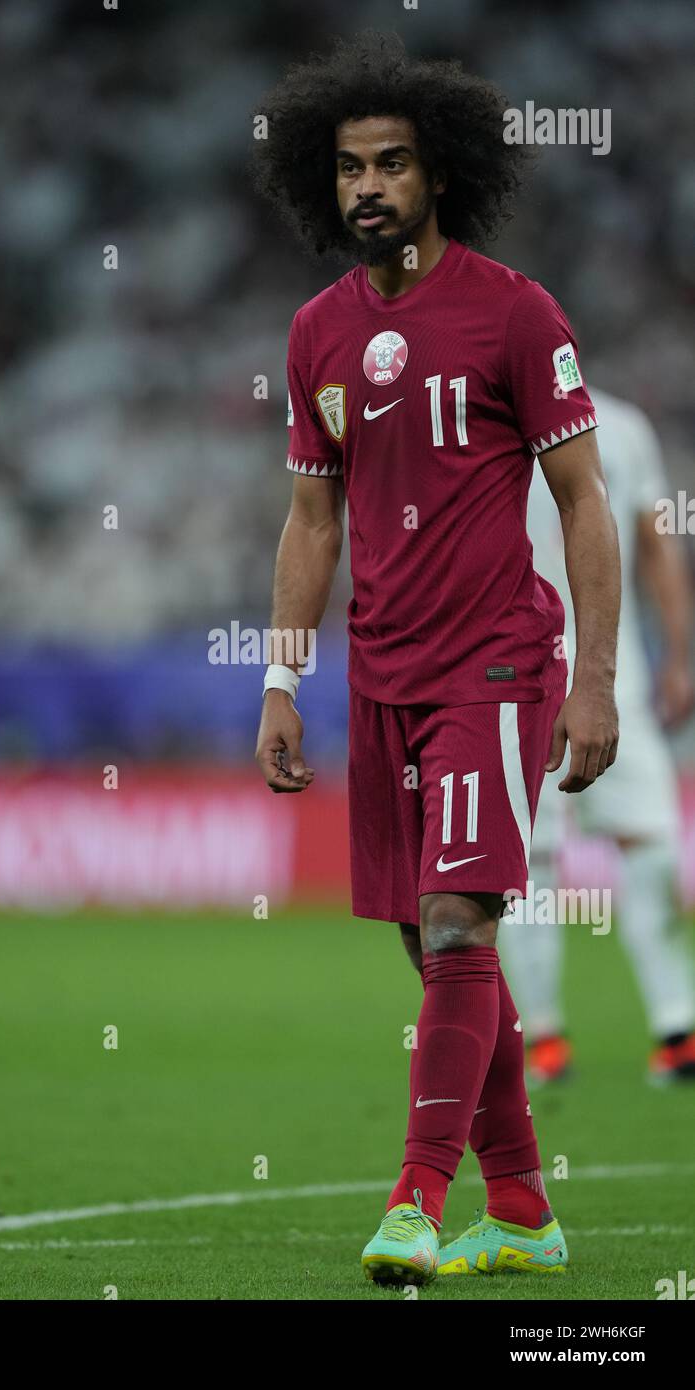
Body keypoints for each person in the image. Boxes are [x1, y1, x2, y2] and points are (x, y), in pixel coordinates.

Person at [252, 33, 620, 1286]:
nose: (369, 188)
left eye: (392, 165)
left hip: (495, 667)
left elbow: (581, 500)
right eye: (349, 167)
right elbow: (309, 519)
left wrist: (593, 677)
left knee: (459, 923)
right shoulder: (314, 335)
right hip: (381, 679)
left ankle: (413, 1198)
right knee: (435, 947)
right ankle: (519, 1207)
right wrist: (281, 680)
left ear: (439, 175)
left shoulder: (515, 312)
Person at [500, 386, 695, 1084]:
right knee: (530, 862)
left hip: (614, 672)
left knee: (652, 839)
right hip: (516, 673)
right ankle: (544, 1037)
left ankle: (676, 1027)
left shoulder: (622, 425)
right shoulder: (490, 416)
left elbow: (655, 545)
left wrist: (678, 653)